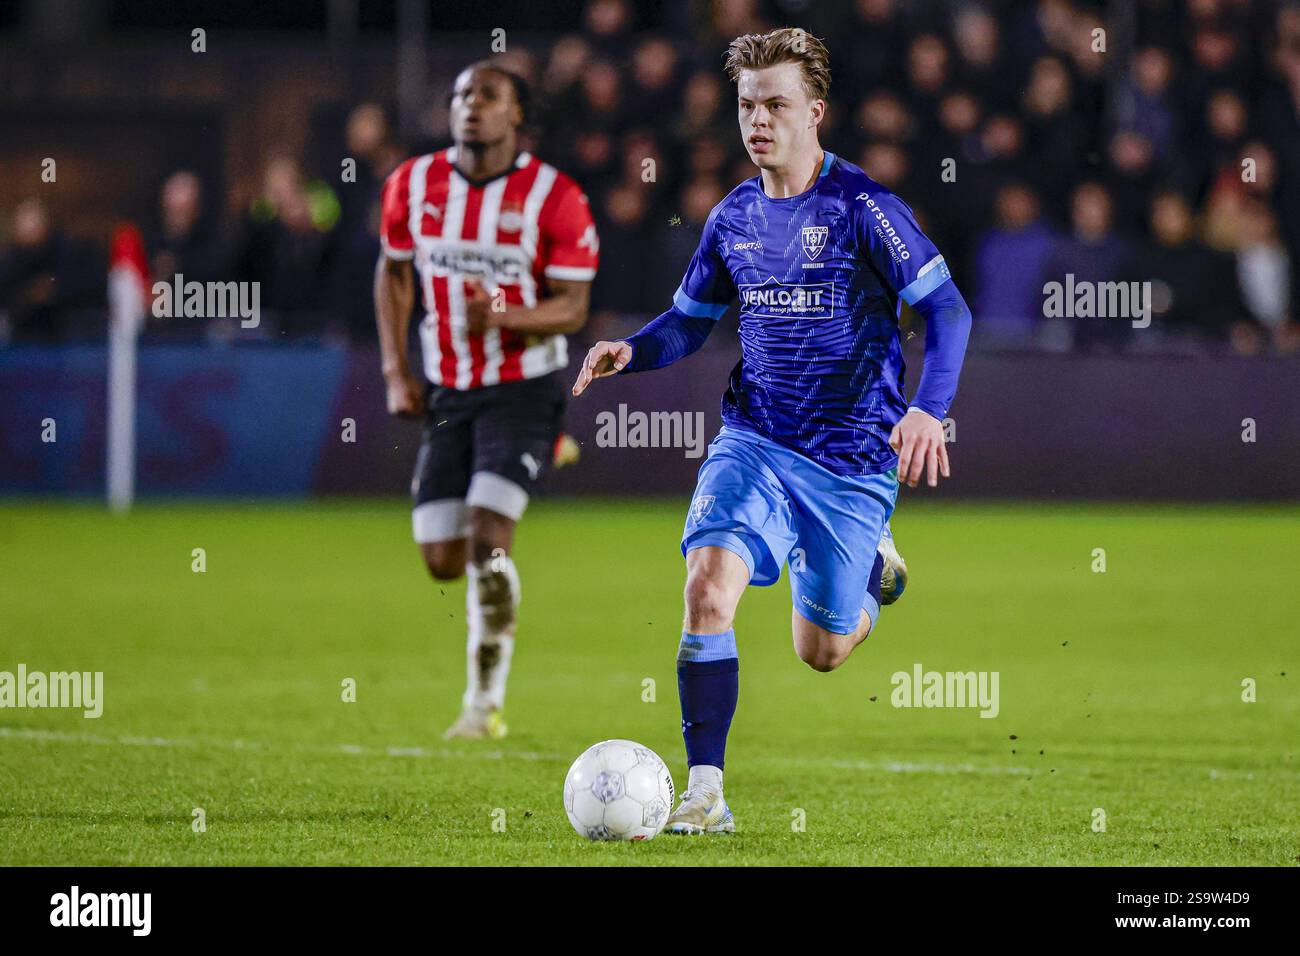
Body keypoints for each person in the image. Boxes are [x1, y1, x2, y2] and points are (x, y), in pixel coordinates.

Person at [572, 28, 972, 835]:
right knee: (706, 588)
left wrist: (927, 410)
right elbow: (689, 324)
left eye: (776, 104)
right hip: (753, 441)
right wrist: (632, 348)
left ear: (815, 112)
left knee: (822, 650)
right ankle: (706, 792)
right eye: (748, 105)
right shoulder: (733, 218)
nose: (758, 120)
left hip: (853, 459)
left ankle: (873, 577)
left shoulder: (864, 208)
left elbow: (947, 309)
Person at [375, 61, 599, 739]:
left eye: (488, 95)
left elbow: (573, 306)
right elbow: (392, 274)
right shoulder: (413, 184)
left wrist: (502, 314)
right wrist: (394, 369)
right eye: (461, 93)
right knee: (442, 559)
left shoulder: (555, 196)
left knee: (487, 540)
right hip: (448, 389)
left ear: (516, 116)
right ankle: (538, 459)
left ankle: (482, 705)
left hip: (523, 388)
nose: (471, 105)